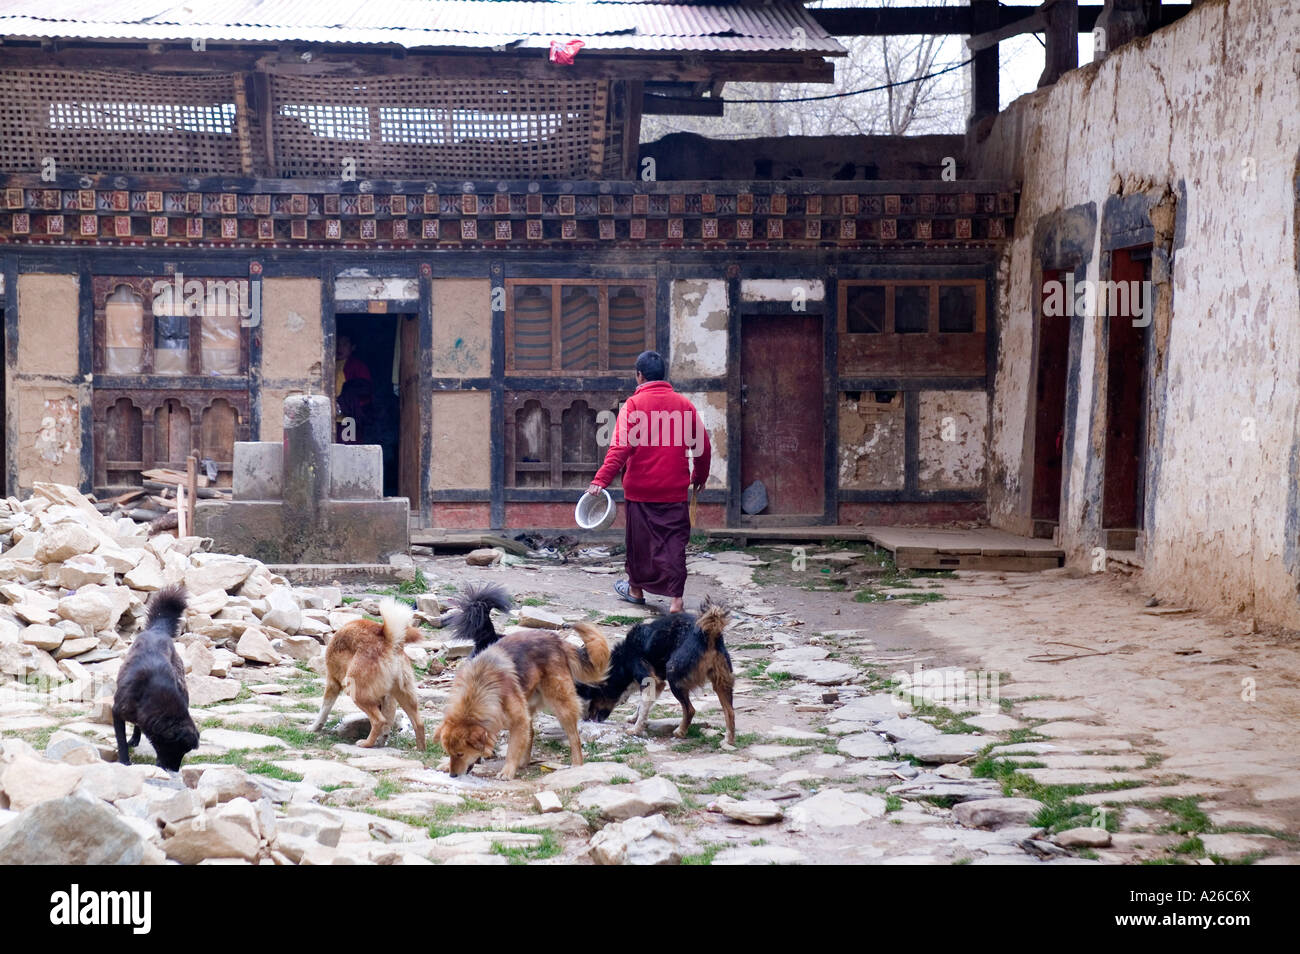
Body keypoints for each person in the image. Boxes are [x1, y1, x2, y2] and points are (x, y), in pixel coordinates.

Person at [587, 350, 711, 614]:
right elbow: (702, 446)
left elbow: (620, 448)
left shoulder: (633, 405)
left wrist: (601, 480)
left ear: (639, 375)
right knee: (674, 544)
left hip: (640, 490)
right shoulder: (683, 405)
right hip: (674, 490)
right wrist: (699, 477)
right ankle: (676, 600)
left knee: (639, 543)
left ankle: (636, 590)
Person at [335, 334, 373, 444]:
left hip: (349, 418)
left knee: (349, 449)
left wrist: (345, 403)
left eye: (344, 344)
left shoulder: (357, 366)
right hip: (332, 418)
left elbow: (365, 389)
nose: (339, 348)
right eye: (338, 344)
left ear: (353, 347)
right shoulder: (330, 363)